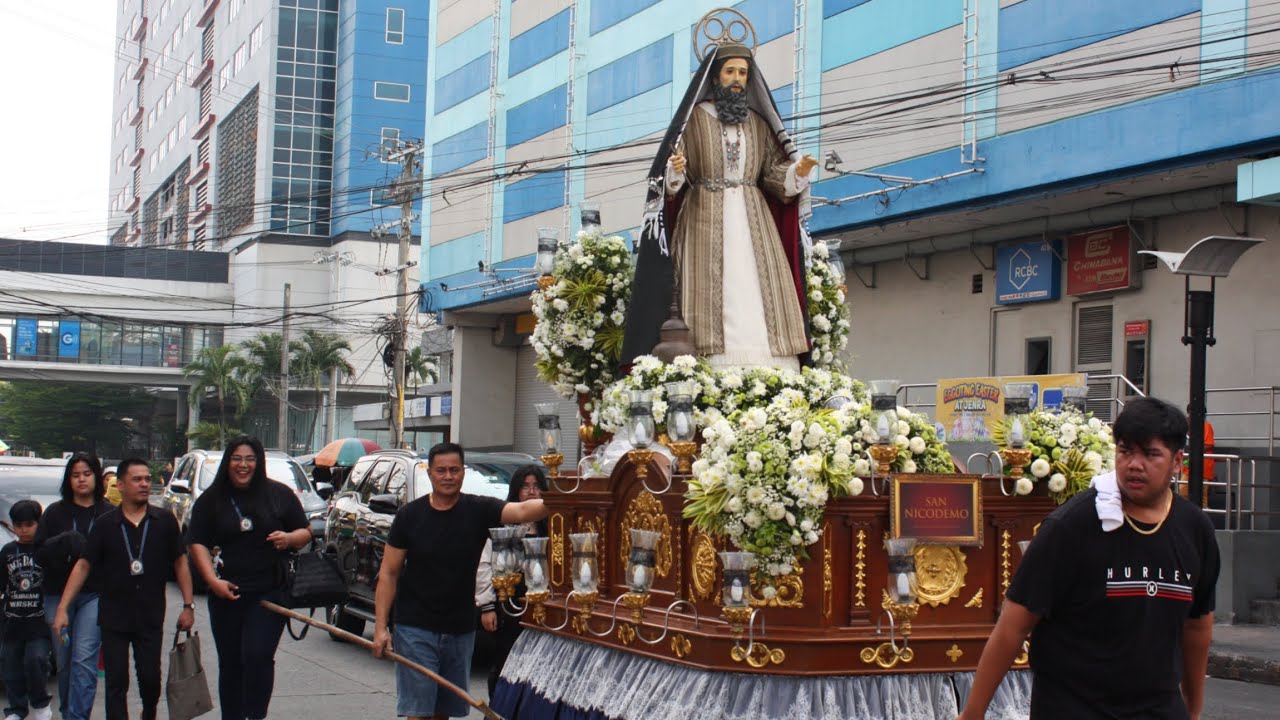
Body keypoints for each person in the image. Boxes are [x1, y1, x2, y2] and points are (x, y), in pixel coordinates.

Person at [958, 397, 1220, 720]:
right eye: (1125, 451)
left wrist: (1193, 711)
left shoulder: (1196, 531)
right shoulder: (1071, 527)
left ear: (1177, 461)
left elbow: (1197, 629)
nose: (1135, 464)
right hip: (1075, 708)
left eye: (1151, 454)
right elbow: (1013, 625)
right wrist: (973, 712)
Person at [622, 36, 818, 370]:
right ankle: (711, 362)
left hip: (755, 219)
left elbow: (771, 173)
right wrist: (675, 171)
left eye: (743, 73)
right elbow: (672, 178)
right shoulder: (694, 119)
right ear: (716, 77)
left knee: (759, 287)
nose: (738, 79)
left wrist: (796, 173)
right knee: (706, 288)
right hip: (702, 214)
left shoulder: (758, 124)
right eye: (730, 72)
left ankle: (769, 363)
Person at [372, 443, 549, 720]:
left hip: (459, 628)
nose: (448, 476)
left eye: (454, 470)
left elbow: (524, 511)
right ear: (430, 474)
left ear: (462, 473)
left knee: (444, 710)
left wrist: (566, 495)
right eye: (441, 470)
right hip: (415, 627)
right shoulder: (410, 515)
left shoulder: (478, 509)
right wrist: (381, 627)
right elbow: (389, 573)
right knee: (419, 711)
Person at [54, 458, 195, 720]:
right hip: (113, 617)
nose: (144, 484)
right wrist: (63, 608)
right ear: (120, 484)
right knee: (116, 682)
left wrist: (188, 605)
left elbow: (180, 564)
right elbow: (84, 566)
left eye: (146, 479)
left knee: (150, 679)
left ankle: (149, 713)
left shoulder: (164, 521)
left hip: (150, 617)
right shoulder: (106, 524)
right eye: (136, 479)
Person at [186, 436, 311, 720]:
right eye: (237, 459)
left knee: (257, 656)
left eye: (250, 459)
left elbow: (305, 532)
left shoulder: (278, 494)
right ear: (228, 462)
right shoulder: (211, 499)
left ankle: (254, 715)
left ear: (259, 463)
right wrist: (212, 582)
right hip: (226, 594)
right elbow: (197, 544)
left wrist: (289, 538)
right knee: (231, 664)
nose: (243, 465)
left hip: (269, 594)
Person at [35, 452, 113, 720]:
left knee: (83, 659)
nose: (81, 480)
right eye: (75, 475)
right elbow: (39, 554)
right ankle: (69, 711)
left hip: (94, 595)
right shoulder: (55, 513)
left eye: (86, 474)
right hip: (58, 597)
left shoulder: (108, 513)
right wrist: (63, 544)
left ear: (97, 477)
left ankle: (77, 716)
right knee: (65, 663)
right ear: (69, 480)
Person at [475, 465, 549, 697]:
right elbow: (485, 565)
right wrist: (487, 605)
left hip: (542, 604)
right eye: (525, 486)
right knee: (506, 661)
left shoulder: (552, 525)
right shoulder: (501, 525)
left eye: (536, 486)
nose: (531, 491)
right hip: (509, 603)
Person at [2, 500, 53, 720]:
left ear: (38, 523)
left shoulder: (47, 550)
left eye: (29, 524)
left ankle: (40, 703)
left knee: (36, 661)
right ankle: (16, 709)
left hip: (39, 622)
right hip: (12, 621)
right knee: (10, 667)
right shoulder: (7, 551)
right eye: (19, 524)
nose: (24, 529)